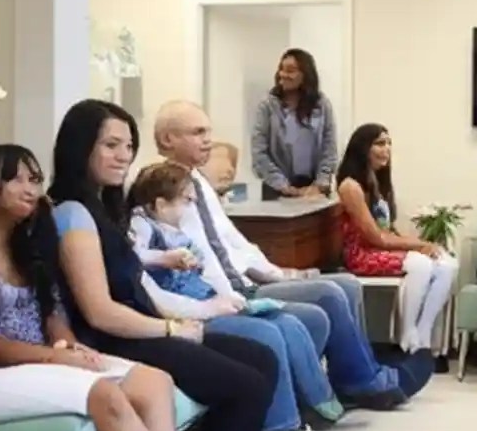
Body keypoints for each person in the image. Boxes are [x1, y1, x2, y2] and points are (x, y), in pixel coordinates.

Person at [0, 144, 251, 431]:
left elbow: (52, 314)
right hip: (8, 373)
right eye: (17, 178)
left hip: (42, 363)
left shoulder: (29, 243)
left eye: (35, 179)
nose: (30, 189)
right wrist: (55, 357)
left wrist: (68, 346)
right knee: (104, 393)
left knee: (154, 381)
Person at [47, 98, 297, 431]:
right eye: (110, 144)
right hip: (115, 339)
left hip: (140, 328)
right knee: (243, 383)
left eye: (128, 144)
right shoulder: (73, 213)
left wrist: (189, 317)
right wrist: (170, 330)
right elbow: (100, 312)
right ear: (80, 147)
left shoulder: (108, 210)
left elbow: (140, 285)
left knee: (261, 358)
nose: (123, 155)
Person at [153, 100, 415, 408]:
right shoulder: (161, 191)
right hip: (222, 293)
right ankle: (360, 383)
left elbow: (232, 242)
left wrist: (279, 272)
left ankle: (359, 375)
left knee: (346, 283)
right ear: (168, 139)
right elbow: (198, 259)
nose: (208, 140)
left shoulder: (198, 182)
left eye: (208, 131)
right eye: (198, 132)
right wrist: (228, 299)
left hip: (244, 282)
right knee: (328, 293)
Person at [129, 160, 345, 431]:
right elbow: (135, 257)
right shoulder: (142, 224)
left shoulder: (175, 228)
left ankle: (310, 400)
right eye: (185, 201)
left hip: (205, 295)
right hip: (187, 306)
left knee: (290, 321)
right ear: (159, 203)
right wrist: (166, 260)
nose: (190, 207)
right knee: (269, 334)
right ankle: (278, 430)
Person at [336, 123, 458, 369]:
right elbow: (375, 238)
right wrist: (419, 244)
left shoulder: (378, 183)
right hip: (362, 254)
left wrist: (418, 245)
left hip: (380, 249)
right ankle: (406, 337)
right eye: (380, 144)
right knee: (422, 265)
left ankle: (422, 337)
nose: (386, 149)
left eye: (389, 143)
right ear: (363, 148)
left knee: (447, 264)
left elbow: (388, 230)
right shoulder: (351, 186)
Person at [252, 48, 338, 200]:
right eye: (281, 70)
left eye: (290, 71)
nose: (283, 75)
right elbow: (259, 152)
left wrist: (319, 185)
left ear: (306, 75)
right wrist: (283, 186)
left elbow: (329, 149)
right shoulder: (267, 106)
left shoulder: (322, 105)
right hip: (276, 188)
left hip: (314, 189)